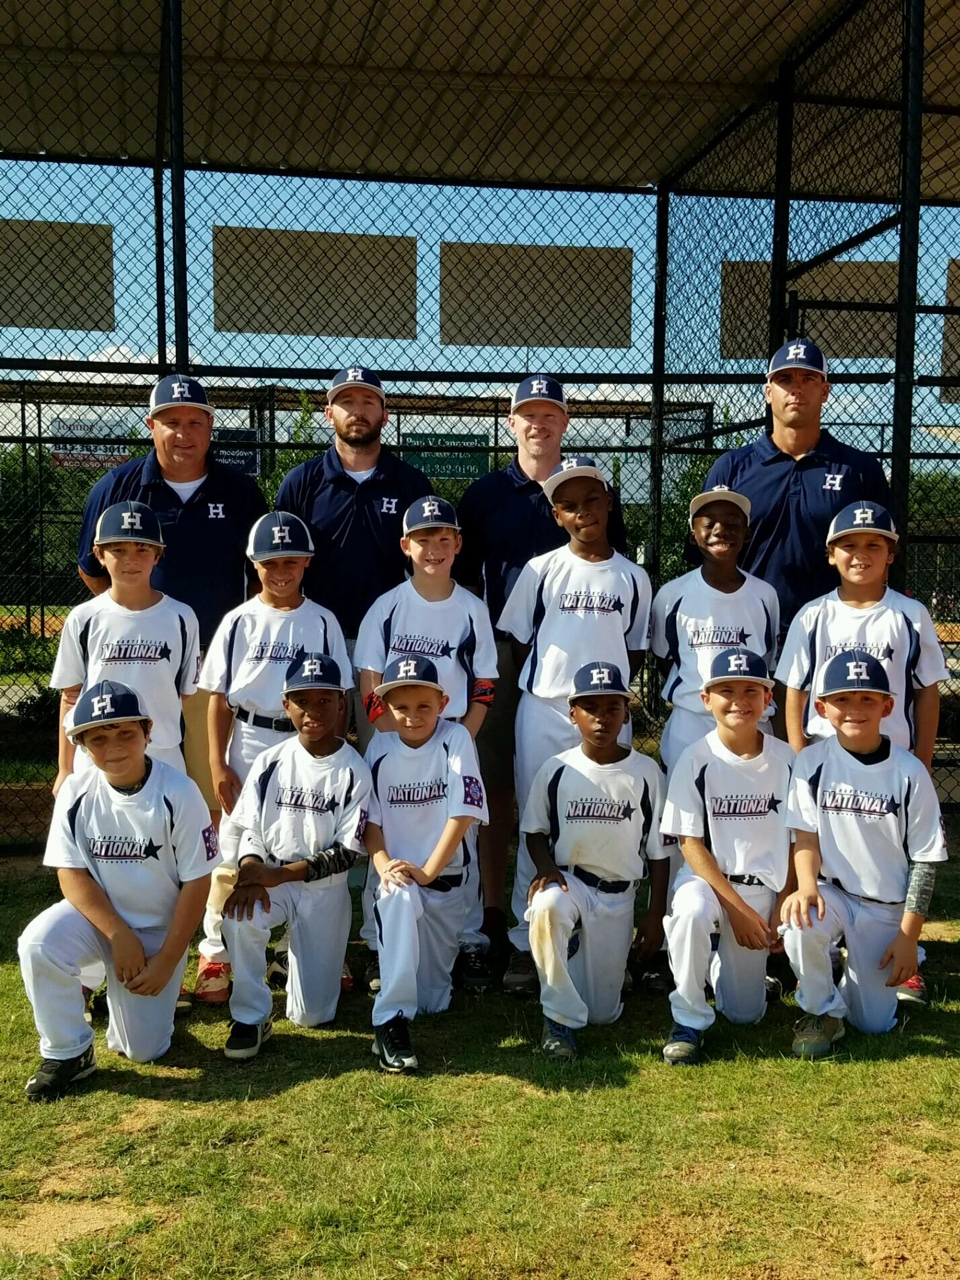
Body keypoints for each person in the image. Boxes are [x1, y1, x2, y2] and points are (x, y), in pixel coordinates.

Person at [456, 377, 629, 958]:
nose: (538, 423)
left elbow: (612, 575)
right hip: (507, 653)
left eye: (549, 413)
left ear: (563, 421)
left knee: (589, 790)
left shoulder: (595, 490)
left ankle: (588, 907)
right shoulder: (484, 495)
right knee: (503, 788)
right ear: (511, 424)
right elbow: (464, 580)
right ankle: (496, 911)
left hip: (581, 662)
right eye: (527, 414)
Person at [18, 681, 219, 1101]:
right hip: (101, 923)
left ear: (148, 731)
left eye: (126, 732)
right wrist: (116, 934)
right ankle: (69, 1052)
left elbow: (198, 881)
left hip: (157, 934)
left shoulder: (179, 792)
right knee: (38, 942)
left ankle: (122, 997)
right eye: (98, 738)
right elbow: (70, 873)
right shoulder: (76, 790)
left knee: (142, 1050)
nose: (113, 747)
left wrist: (167, 960)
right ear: (83, 745)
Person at [76, 375, 267, 814]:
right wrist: (133, 613)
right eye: (172, 422)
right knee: (134, 780)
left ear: (210, 426)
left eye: (195, 422)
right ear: (151, 425)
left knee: (212, 787)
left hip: (214, 662)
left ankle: (217, 878)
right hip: (140, 658)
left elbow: (258, 575)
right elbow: (91, 569)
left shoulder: (240, 492)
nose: (184, 434)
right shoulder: (115, 488)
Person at [497, 456, 651, 993]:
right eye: (568, 505)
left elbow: (633, 650)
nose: (582, 511)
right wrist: (553, 688)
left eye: (591, 500)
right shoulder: (540, 570)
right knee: (534, 821)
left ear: (609, 502)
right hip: (545, 707)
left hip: (609, 712)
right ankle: (524, 942)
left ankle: (608, 937)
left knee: (611, 821)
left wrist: (604, 704)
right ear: (556, 515)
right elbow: (518, 641)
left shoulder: (634, 577)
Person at [191, 511, 352, 1003]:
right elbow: (218, 698)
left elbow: (340, 693)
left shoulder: (322, 619)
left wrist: (336, 750)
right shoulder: (238, 621)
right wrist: (218, 763)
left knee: (309, 832)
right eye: (269, 562)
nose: (280, 570)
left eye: (290, 561)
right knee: (235, 844)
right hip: (253, 735)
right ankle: (216, 951)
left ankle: (299, 942)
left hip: (311, 736)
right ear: (253, 565)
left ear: (306, 563)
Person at [354, 496, 498, 994]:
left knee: (463, 836)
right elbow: (370, 679)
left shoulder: (472, 608)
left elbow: (484, 684)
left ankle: (468, 939)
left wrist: (459, 737)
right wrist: (392, 737)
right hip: (398, 733)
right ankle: (378, 942)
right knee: (388, 828)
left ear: (458, 544)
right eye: (422, 539)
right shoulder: (387, 607)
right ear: (405, 546)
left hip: (452, 730)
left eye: (443, 539)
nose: (433, 548)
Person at [780, 650, 947, 1059]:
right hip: (833, 893)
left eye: (867, 699)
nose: (854, 709)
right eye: (842, 700)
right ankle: (822, 1012)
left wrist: (908, 938)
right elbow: (805, 838)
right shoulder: (813, 762)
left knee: (873, 1024)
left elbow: (926, 861)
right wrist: (804, 887)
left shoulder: (910, 772)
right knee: (800, 921)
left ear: (887, 705)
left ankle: (850, 985)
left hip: (886, 908)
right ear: (821, 708)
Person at [219, 655, 372, 1061]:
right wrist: (251, 868)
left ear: (343, 705)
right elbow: (249, 826)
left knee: (312, 1016)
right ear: (286, 704)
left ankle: (293, 965)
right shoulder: (270, 761)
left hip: (323, 890)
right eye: (302, 701)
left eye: (325, 701)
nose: (313, 711)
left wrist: (277, 874)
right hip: (273, 874)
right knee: (239, 916)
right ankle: (251, 1016)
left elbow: (346, 855)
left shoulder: (354, 769)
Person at [275, 366, 431, 747]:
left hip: (393, 641)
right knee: (319, 748)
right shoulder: (302, 482)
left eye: (367, 402)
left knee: (388, 748)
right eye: (346, 402)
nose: (357, 410)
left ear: (385, 413)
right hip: (318, 638)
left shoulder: (411, 483)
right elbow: (280, 564)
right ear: (329, 413)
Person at [521, 662, 668, 1060]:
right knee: (546, 906)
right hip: (573, 884)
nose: (602, 717)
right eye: (590, 708)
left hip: (619, 896)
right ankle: (557, 1021)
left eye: (612, 707)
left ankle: (598, 967)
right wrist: (547, 869)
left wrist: (654, 916)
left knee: (603, 1015)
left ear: (626, 712)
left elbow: (658, 853)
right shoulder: (557, 769)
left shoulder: (646, 773)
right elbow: (533, 830)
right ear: (573, 714)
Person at [659, 648, 795, 1066]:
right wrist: (734, 911)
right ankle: (687, 1019)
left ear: (767, 697)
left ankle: (717, 972)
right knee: (690, 912)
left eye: (750, 690)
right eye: (726, 691)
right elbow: (689, 843)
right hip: (710, 884)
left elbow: (799, 840)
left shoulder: (788, 759)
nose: (739, 700)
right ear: (706, 700)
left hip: (762, 891)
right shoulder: (695, 757)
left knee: (745, 1015)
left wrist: (783, 905)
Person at [703, 340, 890, 637]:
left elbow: (883, 558)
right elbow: (708, 559)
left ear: (825, 390)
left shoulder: (860, 469)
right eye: (785, 379)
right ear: (768, 392)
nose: (796, 388)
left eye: (808, 378)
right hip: (745, 630)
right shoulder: (732, 468)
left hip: (833, 633)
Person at [362, 656, 487, 1073]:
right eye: (401, 707)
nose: (412, 717)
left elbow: (464, 812)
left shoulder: (456, 740)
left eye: (423, 707)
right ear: (386, 707)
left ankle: (408, 998)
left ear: (443, 703)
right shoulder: (379, 746)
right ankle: (390, 1021)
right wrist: (383, 867)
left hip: (445, 882)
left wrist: (429, 870)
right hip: (399, 878)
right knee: (396, 895)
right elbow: (371, 823)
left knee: (434, 1000)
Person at [52, 501, 200, 792]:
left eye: (142, 549)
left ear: (158, 554)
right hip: (97, 757)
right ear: (99, 554)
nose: (131, 559)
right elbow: (71, 696)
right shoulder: (84, 618)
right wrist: (65, 769)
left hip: (162, 754)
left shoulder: (181, 617)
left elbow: (184, 694)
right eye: (118, 550)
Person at [650, 485, 779, 777]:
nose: (721, 531)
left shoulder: (765, 595)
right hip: (692, 721)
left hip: (751, 722)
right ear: (693, 535)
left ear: (747, 534)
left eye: (733, 524)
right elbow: (664, 658)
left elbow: (767, 659)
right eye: (709, 524)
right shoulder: (672, 595)